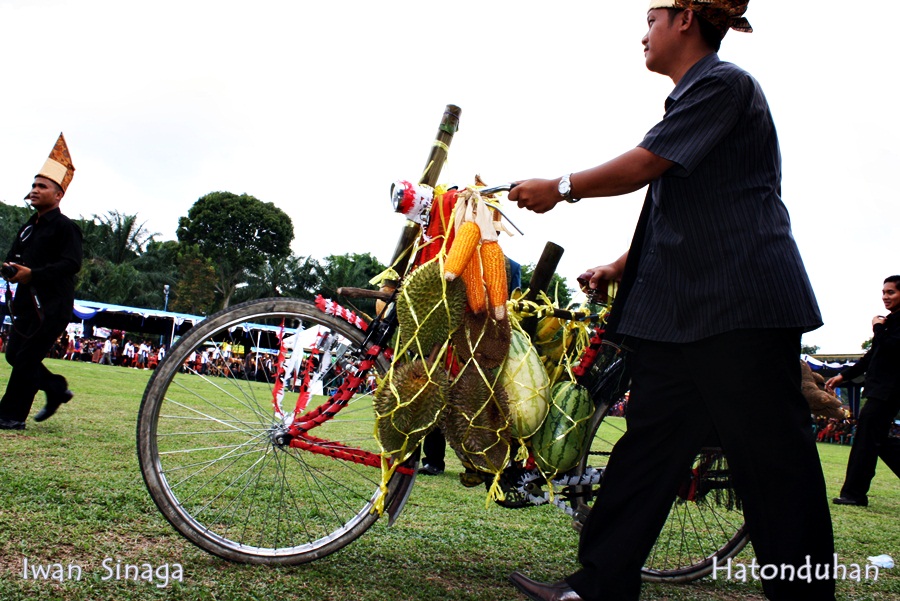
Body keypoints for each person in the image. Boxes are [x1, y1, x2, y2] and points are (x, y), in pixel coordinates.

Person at [506, 3, 835, 600]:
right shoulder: (692, 98)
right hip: (687, 316)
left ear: (685, 19)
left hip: (741, 308)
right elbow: (680, 207)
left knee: (775, 469)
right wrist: (619, 266)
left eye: (652, 20)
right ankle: (600, 586)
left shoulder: (723, 84)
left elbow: (645, 166)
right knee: (647, 452)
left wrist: (560, 188)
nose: (643, 35)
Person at [0, 134, 82, 430]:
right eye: (33, 185)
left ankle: (10, 416)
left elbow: (71, 264)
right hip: (26, 303)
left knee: (25, 358)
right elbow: (14, 257)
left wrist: (33, 274)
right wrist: (9, 268)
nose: (34, 190)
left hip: (52, 305)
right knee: (14, 355)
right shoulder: (27, 228)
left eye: (41, 186)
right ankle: (56, 388)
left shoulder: (65, 227)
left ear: (58, 194)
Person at [826, 276, 900, 507]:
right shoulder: (890, 322)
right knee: (875, 439)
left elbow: (892, 348)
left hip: (890, 390)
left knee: (866, 440)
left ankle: (854, 494)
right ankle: (854, 493)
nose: (885, 297)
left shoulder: (890, 325)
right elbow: (872, 356)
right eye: (884, 292)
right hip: (880, 389)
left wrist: (878, 328)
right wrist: (843, 375)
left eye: (891, 292)